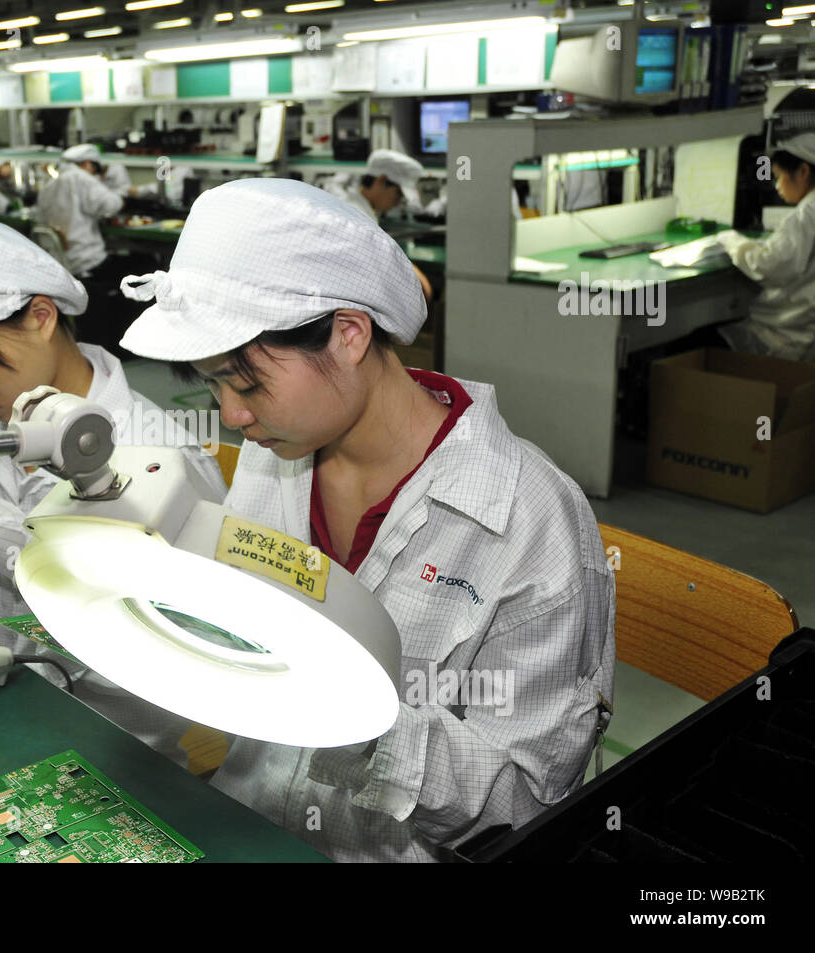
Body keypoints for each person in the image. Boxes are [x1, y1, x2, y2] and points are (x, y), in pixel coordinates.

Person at [117, 177, 615, 862]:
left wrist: (363, 724)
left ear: (349, 334)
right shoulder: (273, 456)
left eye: (247, 380)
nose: (231, 415)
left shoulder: (529, 521)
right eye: (212, 383)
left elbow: (525, 805)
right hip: (248, 825)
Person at [0, 218, 227, 764]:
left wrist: (34, 565)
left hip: (115, 751)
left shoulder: (164, 461)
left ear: (40, 317)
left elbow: (188, 661)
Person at [715, 133, 815, 362]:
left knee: (692, 346)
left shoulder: (803, 217)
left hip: (785, 334)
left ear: (803, 172)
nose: (777, 186)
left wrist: (732, 241)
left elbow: (769, 265)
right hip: (807, 333)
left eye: (779, 177)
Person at [322, 149, 434, 302]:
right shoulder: (358, 216)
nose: (399, 202)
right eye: (398, 194)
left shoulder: (357, 206)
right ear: (381, 180)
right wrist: (417, 278)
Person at [36, 143, 124, 279]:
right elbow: (111, 205)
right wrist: (120, 196)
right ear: (88, 164)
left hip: (59, 263)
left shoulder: (50, 184)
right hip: (86, 262)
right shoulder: (80, 177)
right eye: (94, 170)